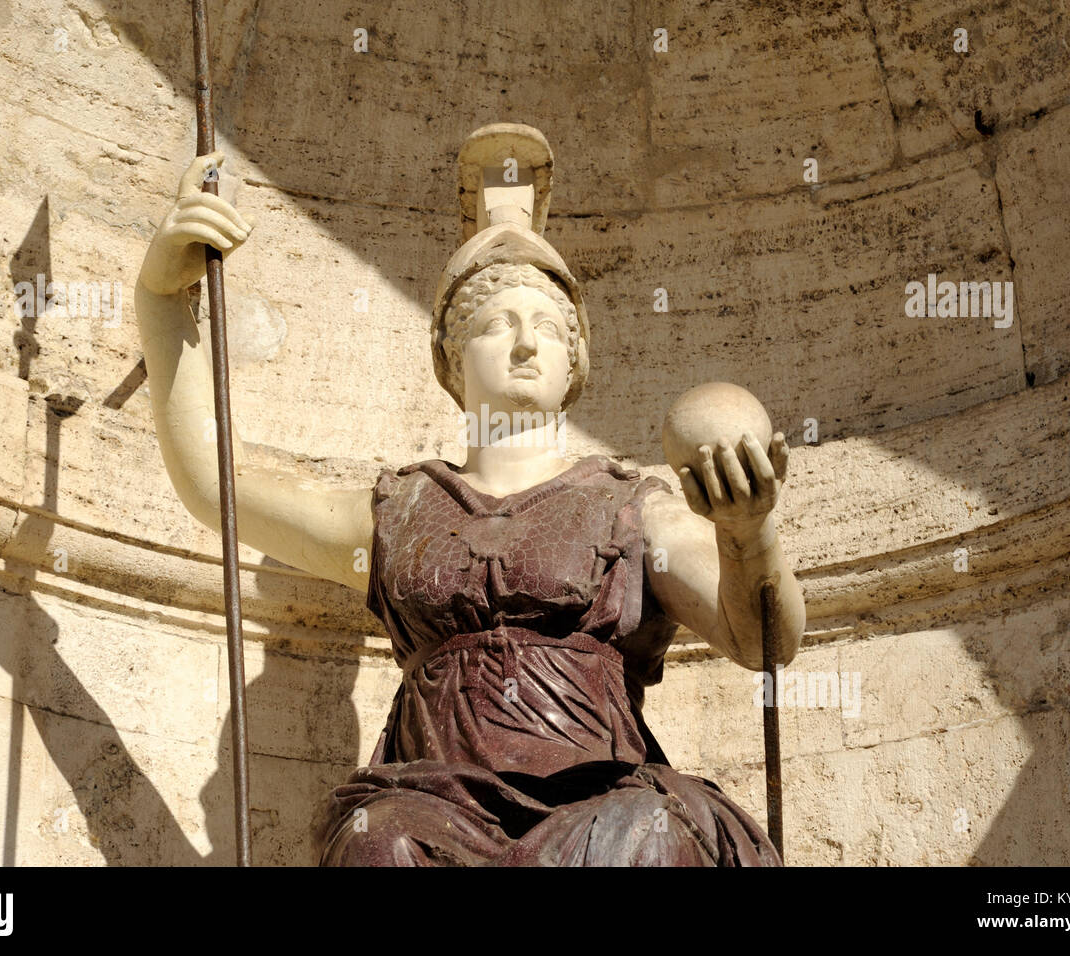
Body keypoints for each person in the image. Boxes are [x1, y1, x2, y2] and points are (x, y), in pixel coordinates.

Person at [135, 135, 806, 866]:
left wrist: (748, 533)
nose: (525, 345)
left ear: (574, 363)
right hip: (434, 814)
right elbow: (217, 485)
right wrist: (162, 297)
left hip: (598, 799)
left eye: (548, 328)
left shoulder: (633, 509)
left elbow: (761, 641)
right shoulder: (399, 511)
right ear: (453, 360)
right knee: (376, 838)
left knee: (640, 832)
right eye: (495, 324)